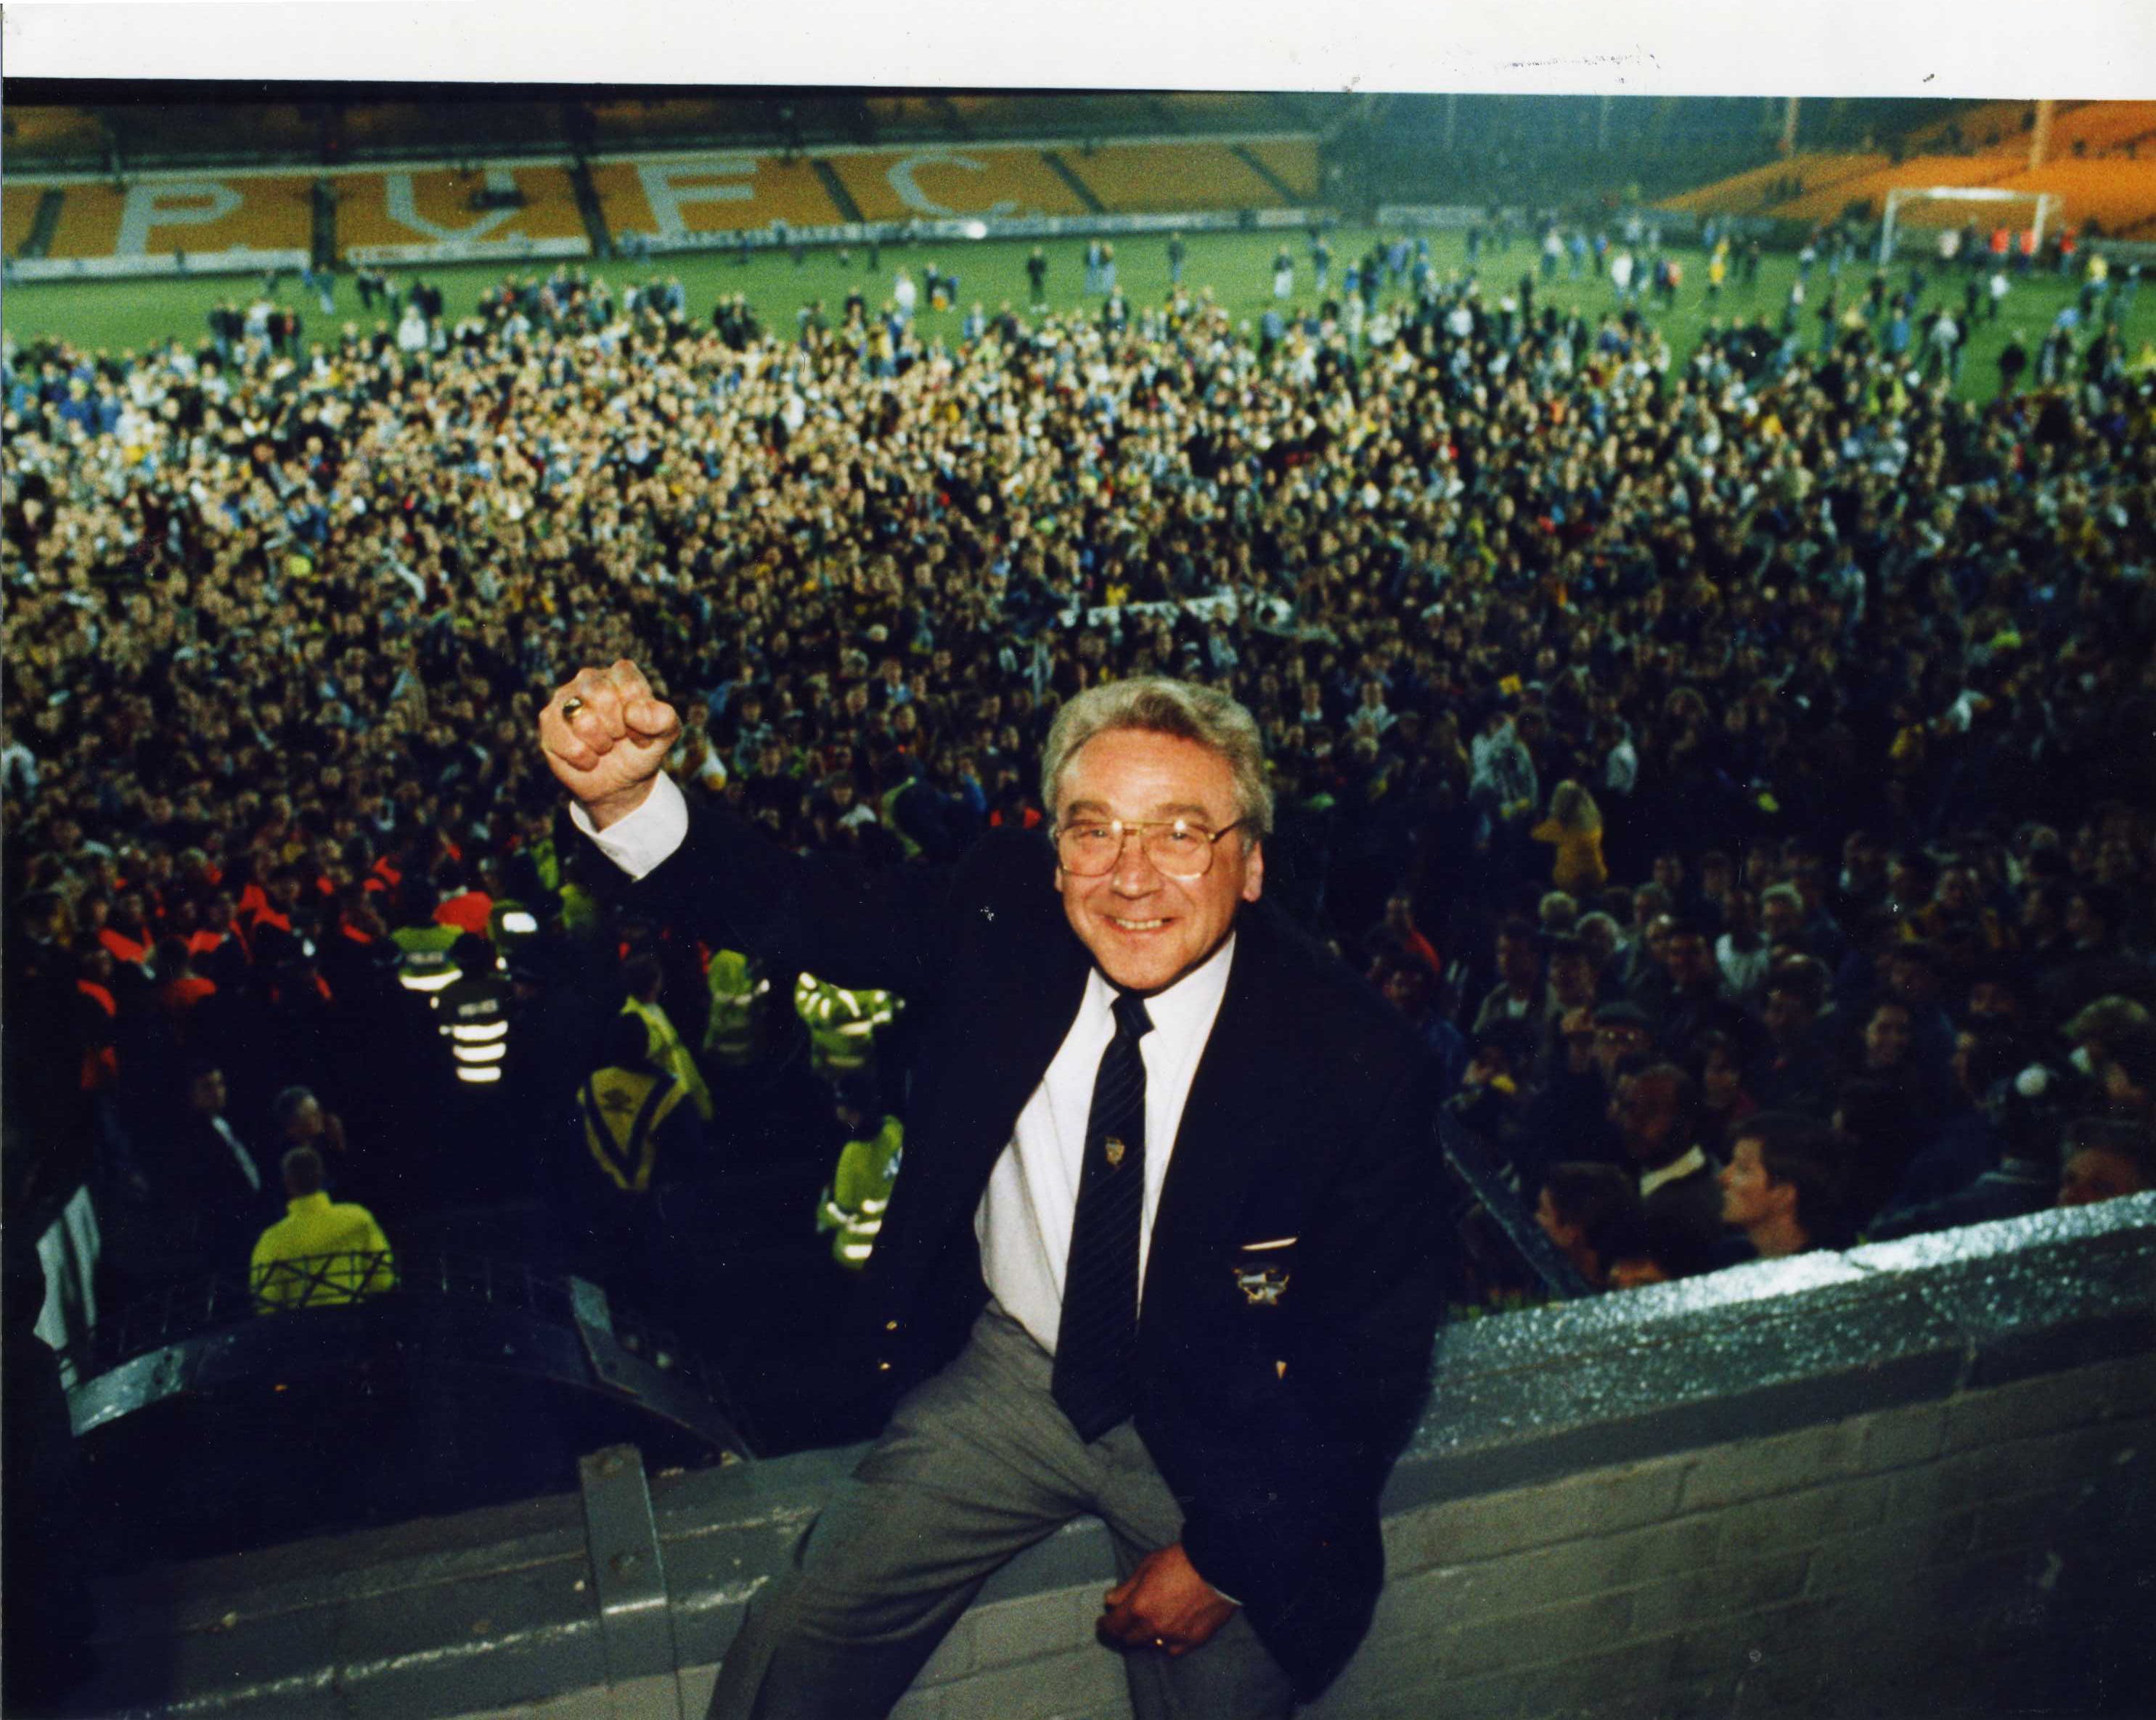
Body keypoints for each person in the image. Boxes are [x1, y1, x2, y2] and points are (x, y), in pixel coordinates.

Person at [542, 661, 1444, 1720]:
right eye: (1093, 828)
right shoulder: (1005, 913)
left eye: (1179, 831)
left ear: (1248, 864)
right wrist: (627, 800)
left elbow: (1371, 1357)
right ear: (1053, 850)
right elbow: (806, 903)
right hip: (1012, 1379)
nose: (1130, 875)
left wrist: (1229, 1558)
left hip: (1233, 1421)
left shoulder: (1356, 1059)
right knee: (797, 1637)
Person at [249, 1144, 396, 1311]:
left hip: (301, 1334)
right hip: (355, 1326)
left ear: (287, 1183)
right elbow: (383, 1282)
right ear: (322, 1176)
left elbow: (267, 1304)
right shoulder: (358, 1217)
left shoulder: (271, 1238)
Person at [1715, 1110, 1848, 1264]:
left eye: (1743, 1169)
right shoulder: (1730, 1255)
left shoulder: (1822, 1275)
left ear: (1784, 1194)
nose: (1722, 1177)